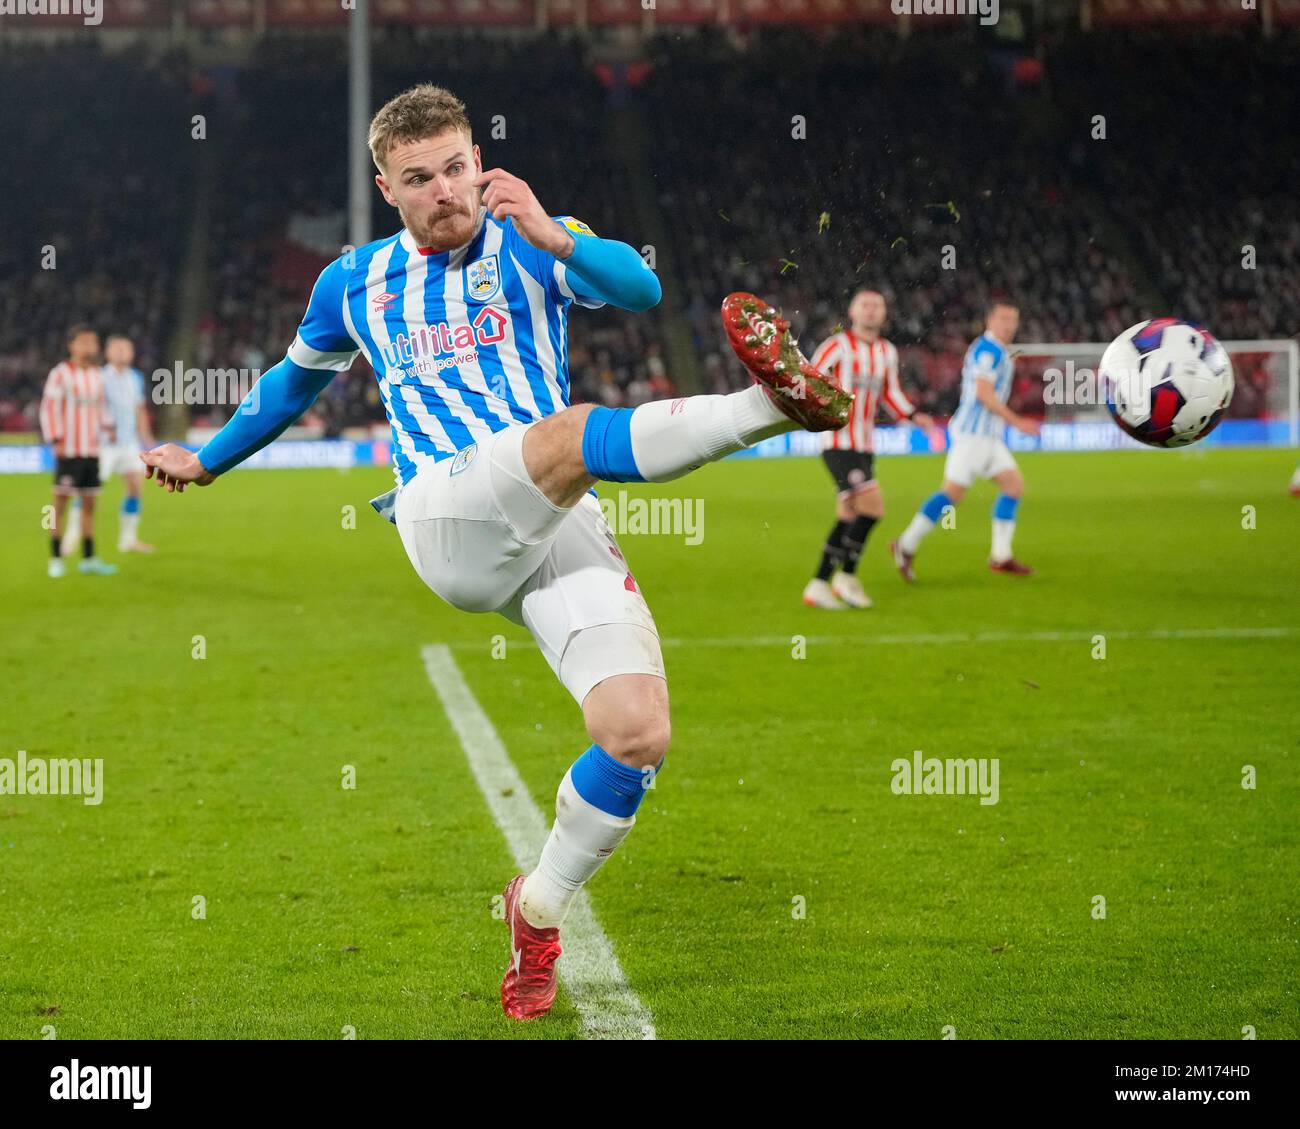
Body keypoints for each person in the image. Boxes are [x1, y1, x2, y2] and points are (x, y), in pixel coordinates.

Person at [138, 84, 849, 1022]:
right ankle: (772, 407)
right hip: (446, 512)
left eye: (457, 167)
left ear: (479, 159)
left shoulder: (531, 232)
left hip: (553, 515)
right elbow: (285, 388)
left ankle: (538, 910)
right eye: (420, 178)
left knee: (637, 733)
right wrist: (209, 458)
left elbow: (644, 291)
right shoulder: (351, 281)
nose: (446, 191)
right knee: (570, 432)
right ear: (386, 186)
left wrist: (557, 236)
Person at [802, 289, 935, 609]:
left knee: (849, 514)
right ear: (852, 311)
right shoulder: (837, 346)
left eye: (877, 306)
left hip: (865, 443)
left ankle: (819, 584)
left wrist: (915, 415)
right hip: (837, 442)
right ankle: (846, 577)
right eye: (865, 305)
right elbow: (808, 379)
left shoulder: (887, 351)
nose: (871, 310)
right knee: (873, 508)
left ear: (884, 313)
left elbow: (890, 393)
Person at [892, 301, 1040, 580]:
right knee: (952, 494)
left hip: (988, 437)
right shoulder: (987, 350)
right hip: (973, 435)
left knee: (1013, 485)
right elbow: (984, 393)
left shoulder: (999, 351)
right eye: (1003, 318)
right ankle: (905, 544)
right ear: (989, 321)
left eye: (1013, 319)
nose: (1009, 324)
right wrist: (1017, 421)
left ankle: (1001, 556)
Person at [40, 324, 117, 577]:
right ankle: (54, 556)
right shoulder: (60, 374)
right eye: (83, 342)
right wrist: (55, 438)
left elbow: (101, 407)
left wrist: (108, 427)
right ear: (71, 345)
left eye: (92, 342)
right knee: (55, 506)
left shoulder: (97, 374)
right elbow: (49, 408)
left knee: (89, 505)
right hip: (68, 449)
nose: (88, 347)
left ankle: (88, 558)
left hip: (91, 450)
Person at [99, 334, 155, 552]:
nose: (122, 352)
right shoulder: (99, 377)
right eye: (117, 348)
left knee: (135, 488)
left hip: (129, 443)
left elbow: (139, 409)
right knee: (89, 491)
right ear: (108, 352)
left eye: (126, 348)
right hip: (103, 444)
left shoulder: (136, 378)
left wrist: (147, 437)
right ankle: (73, 536)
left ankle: (128, 540)